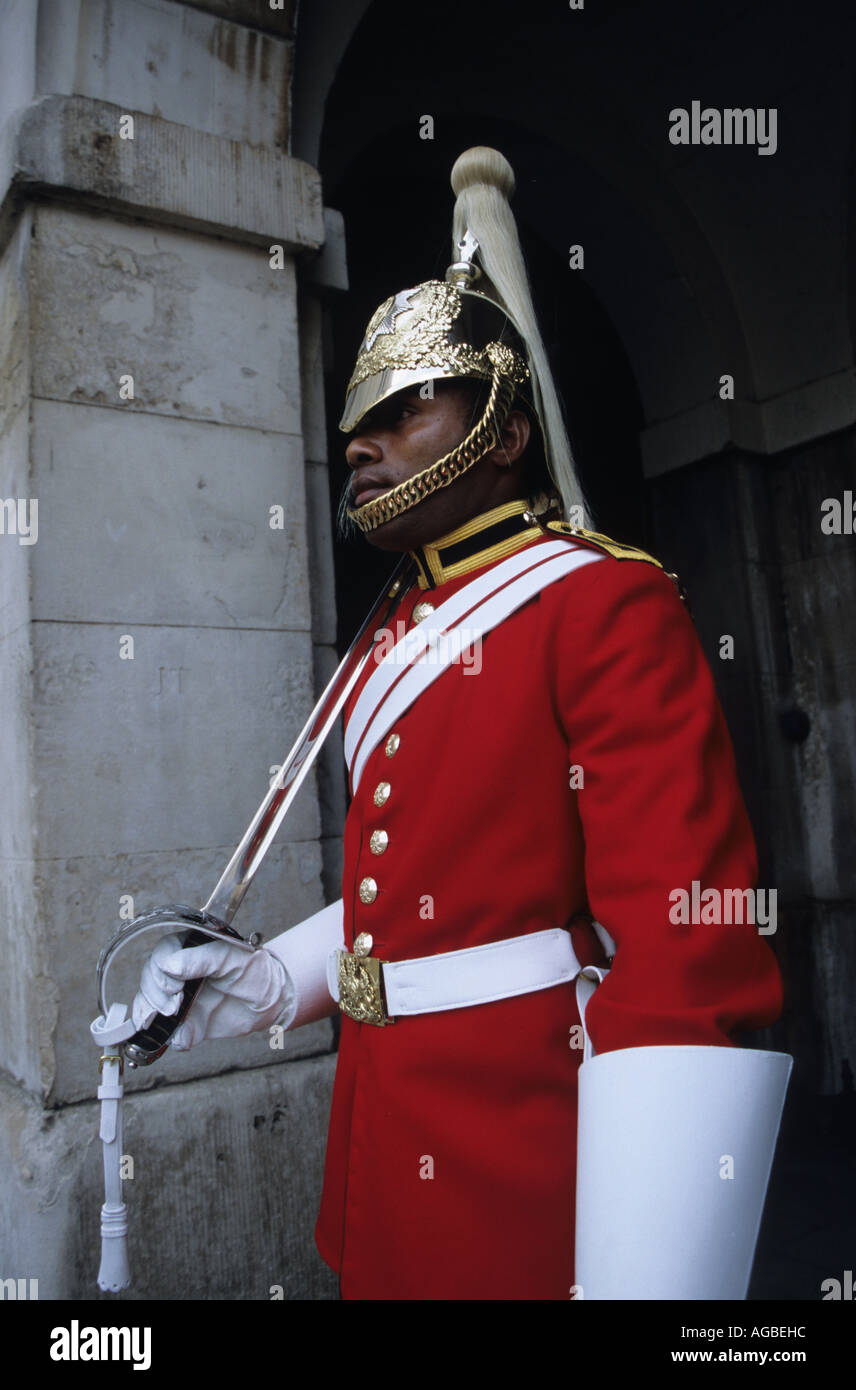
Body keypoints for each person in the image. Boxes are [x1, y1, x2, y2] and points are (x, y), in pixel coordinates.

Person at [132, 147, 784, 1301]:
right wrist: (251, 987)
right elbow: (416, 895)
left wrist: (650, 1279)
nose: (358, 442)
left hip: (521, 1148)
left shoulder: (601, 599)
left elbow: (688, 949)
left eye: (400, 406)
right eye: (353, 418)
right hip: (383, 1130)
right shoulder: (392, 630)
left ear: (504, 427)